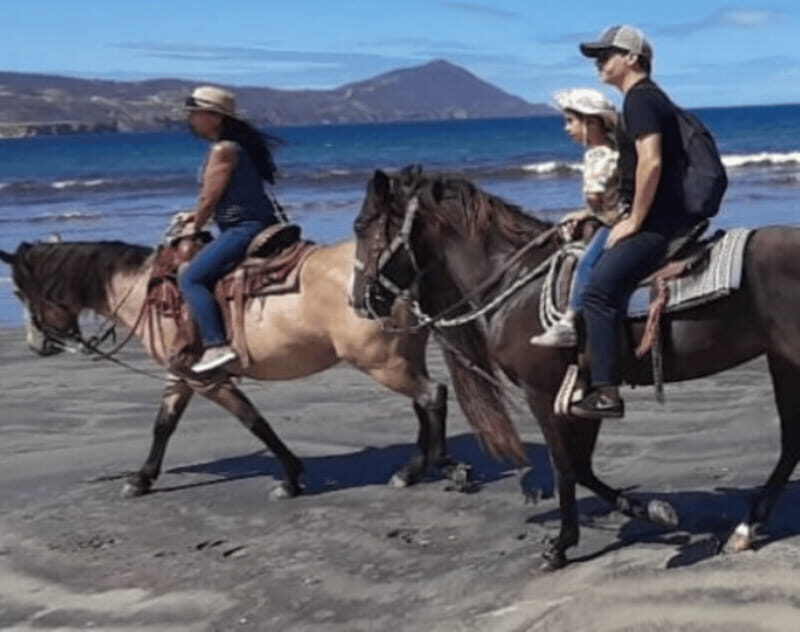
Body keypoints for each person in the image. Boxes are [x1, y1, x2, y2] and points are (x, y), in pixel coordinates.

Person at [570, 25, 697, 419]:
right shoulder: (647, 98)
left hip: (656, 224)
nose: (598, 63)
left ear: (631, 58)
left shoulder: (639, 100)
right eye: (597, 57)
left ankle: (607, 392)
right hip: (661, 217)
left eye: (605, 55)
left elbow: (651, 162)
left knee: (597, 293)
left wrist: (634, 221)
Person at [178, 85, 283, 373]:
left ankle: (216, 345)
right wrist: (194, 215)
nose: (191, 119)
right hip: (259, 221)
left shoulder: (223, 150)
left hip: (243, 228)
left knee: (191, 279)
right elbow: (227, 195)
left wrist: (193, 227)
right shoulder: (237, 146)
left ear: (215, 116)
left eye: (196, 113)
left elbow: (209, 198)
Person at [530, 88, 620, 347]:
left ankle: (569, 320)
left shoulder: (597, 155)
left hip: (613, 222)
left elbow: (595, 198)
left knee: (587, 263)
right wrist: (585, 212)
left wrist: (587, 212)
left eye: (571, 121)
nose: (566, 128)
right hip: (613, 215)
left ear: (591, 122)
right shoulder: (613, 149)